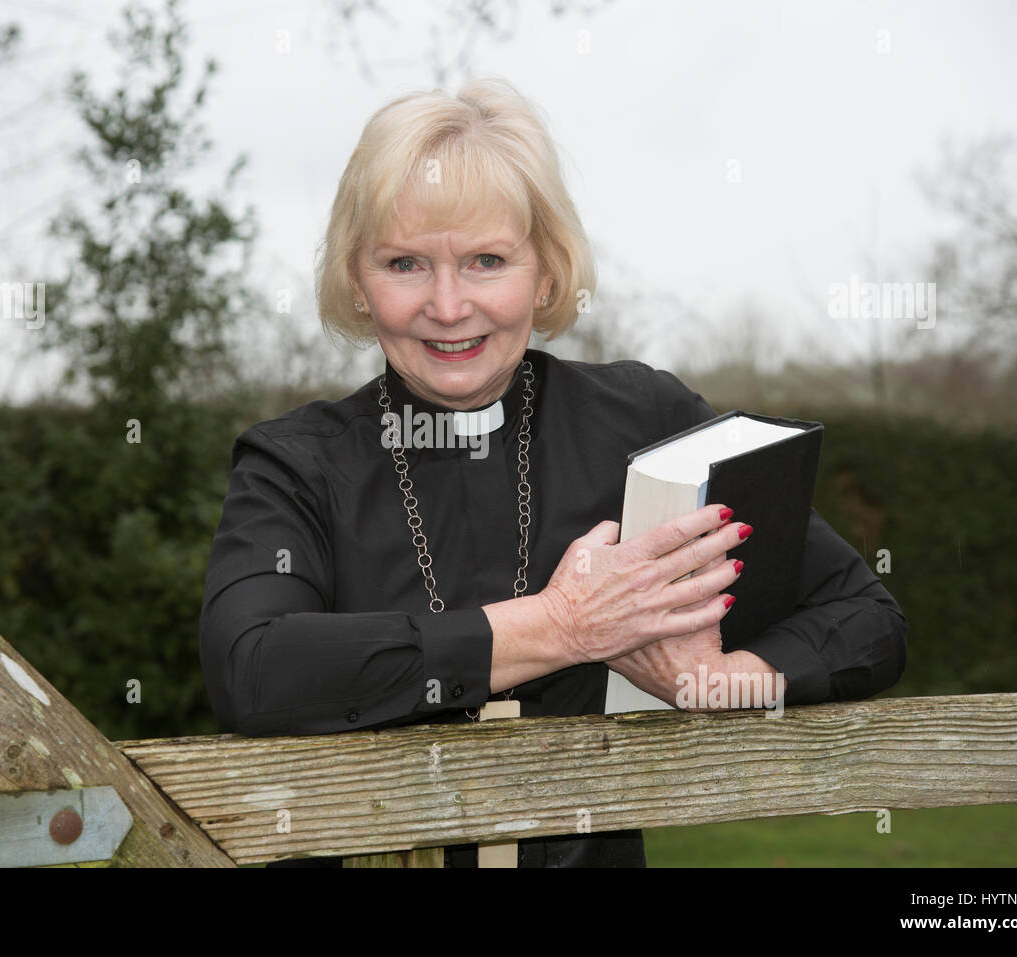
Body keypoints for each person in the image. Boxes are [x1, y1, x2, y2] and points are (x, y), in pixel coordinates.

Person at [199, 77, 908, 867]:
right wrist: (562, 626)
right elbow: (252, 669)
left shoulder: (643, 420)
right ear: (359, 285)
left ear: (545, 271)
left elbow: (865, 617)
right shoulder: (295, 462)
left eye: (486, 261)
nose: (447, 304)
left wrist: (718, 678)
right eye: (404, 263)